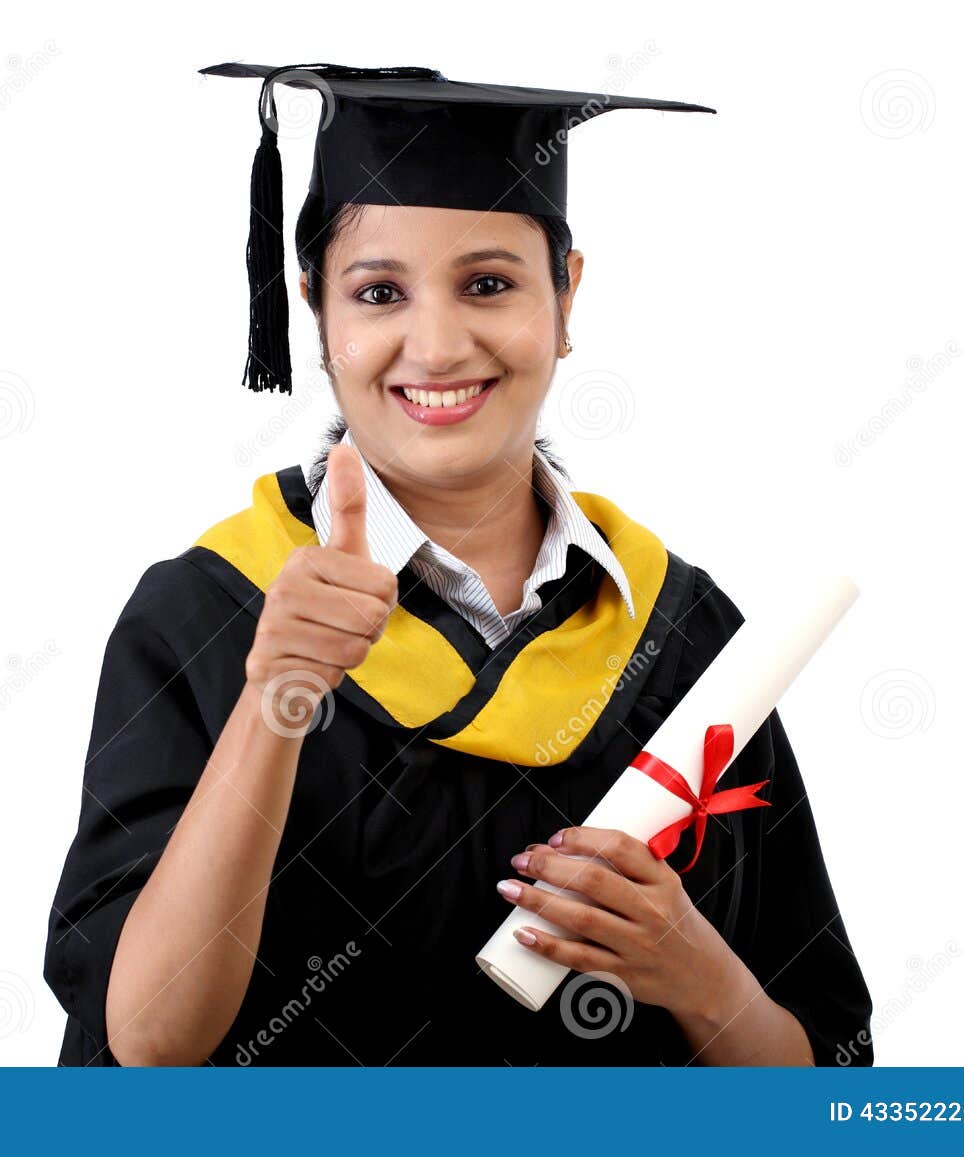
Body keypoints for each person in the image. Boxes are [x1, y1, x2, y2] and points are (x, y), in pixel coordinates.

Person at [44, 61, 873, 1067]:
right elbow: (144, 1048)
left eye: (489, 283)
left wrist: (694, 969)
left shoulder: (681, 631)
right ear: (316, 312)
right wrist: (281, 692)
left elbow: (820, 1084)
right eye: (378, 291)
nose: (435, 345)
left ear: (565, 298)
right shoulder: (211, 612)